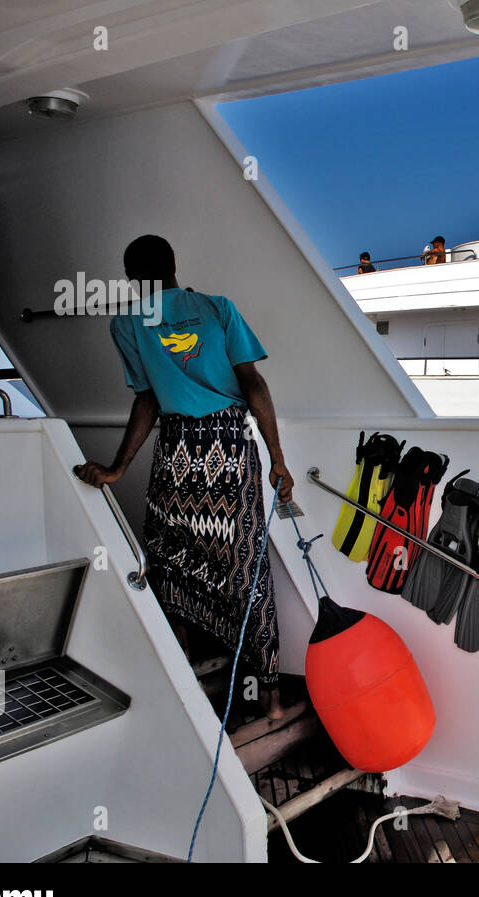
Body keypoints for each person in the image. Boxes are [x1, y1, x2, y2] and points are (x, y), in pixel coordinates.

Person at [78, 235, 294, 721]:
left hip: (176, 451)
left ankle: (183, 677)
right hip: (229, 447)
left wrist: (117, 469)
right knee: (246, 567)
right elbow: (253, 384)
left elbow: (147, 400)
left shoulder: (127, 323)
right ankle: (273, 698)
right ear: (174, 264)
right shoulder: (218, 308)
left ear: (132, 277)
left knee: (168, 558)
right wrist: (278, 460)